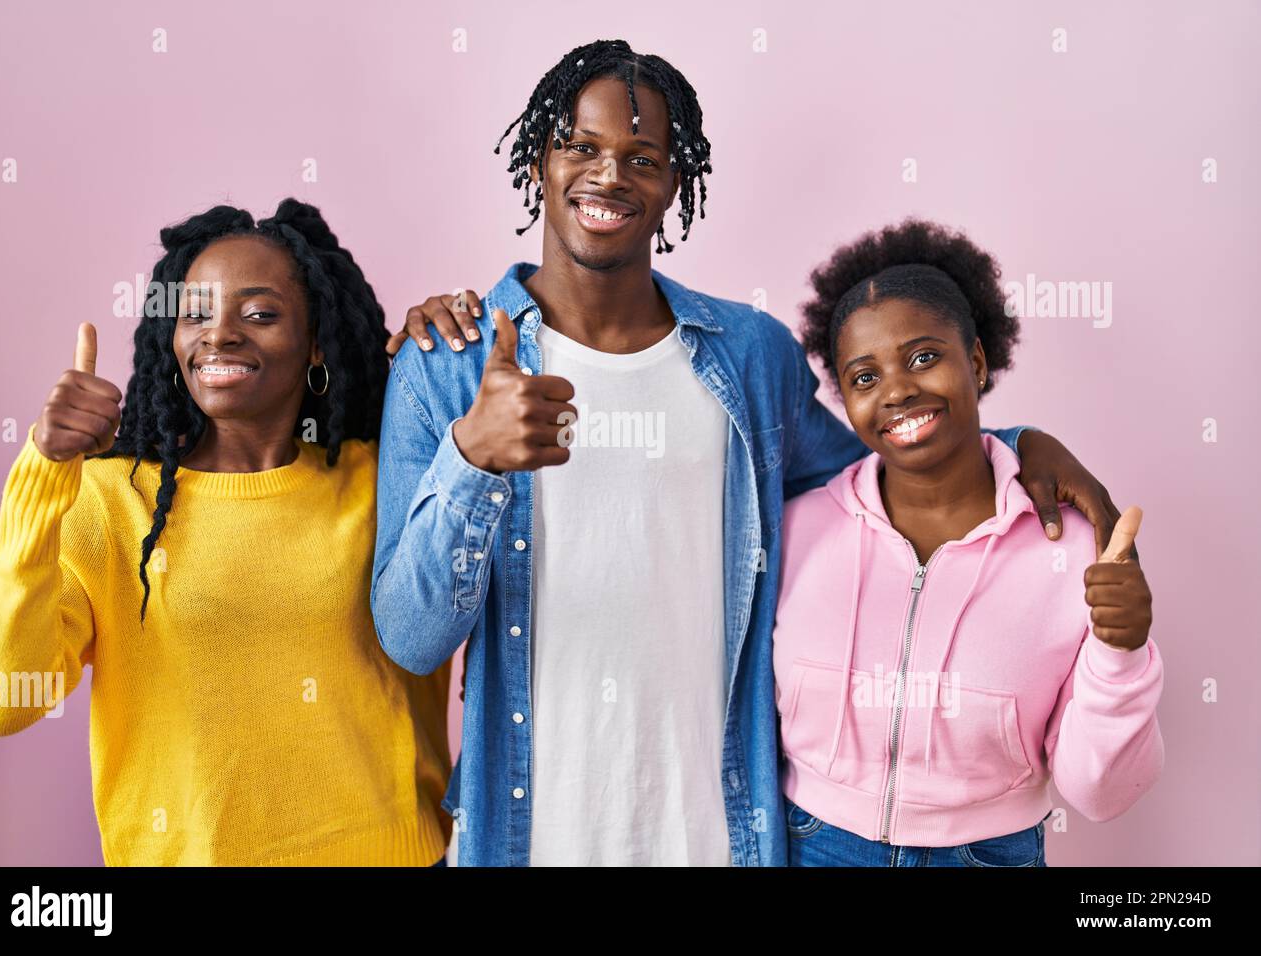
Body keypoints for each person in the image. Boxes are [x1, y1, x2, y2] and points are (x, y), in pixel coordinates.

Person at [374, 39, 1123, 867]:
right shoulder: (446, 363)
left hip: (723, 833)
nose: (609, 175)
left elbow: (882, 475)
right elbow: (411, 637)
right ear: (538, 162)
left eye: (643, 157)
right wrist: (472, 461)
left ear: (675, 185)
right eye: (579, 147)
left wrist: (1016, 446)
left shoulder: (749, 356)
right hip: (526, 836)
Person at [0, 199, 453, 865]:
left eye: (259, 314)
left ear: (316, 340)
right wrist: (43, 472)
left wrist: (453, 357)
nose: (218, 335)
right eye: (195, 314)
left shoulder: (385, 479)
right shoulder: (105, 501)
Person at [775, 219, 1163, 866]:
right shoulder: (798, 527)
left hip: (988, 853)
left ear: (976, 361)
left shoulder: (1075, 545)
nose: (897, 390)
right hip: (810, 845)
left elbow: (1100, 794)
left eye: (924, 357)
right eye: (864, 377)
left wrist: (1123, 654)